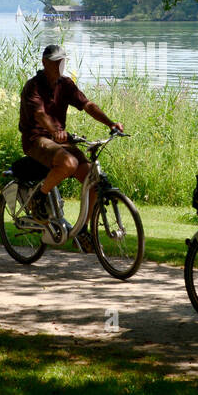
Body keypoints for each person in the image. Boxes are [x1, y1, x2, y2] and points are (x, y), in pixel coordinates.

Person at [18, 44, 122, 246]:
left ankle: (83, 230)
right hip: (36, 140)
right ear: (45, 63)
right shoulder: (34, 86)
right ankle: (38, 198)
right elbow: (40, 115)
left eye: (62, 61)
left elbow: (88, 105)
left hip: (59, 141)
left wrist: (110, 122)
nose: (60, 65)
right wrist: (54, 130)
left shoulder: (65, 84)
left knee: (92, 178)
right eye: (56, 62)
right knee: (69, 162)